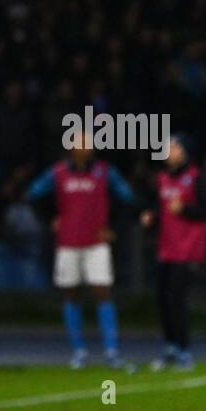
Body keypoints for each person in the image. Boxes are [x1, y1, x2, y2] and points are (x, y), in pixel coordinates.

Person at [24, 129, 137, 369]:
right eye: (81, 142)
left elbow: (127, 199)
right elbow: (33, 195)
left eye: (89, 142)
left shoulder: (105, 172)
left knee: (102, 292)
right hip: (68, 242)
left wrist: (113, 227)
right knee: (71, 294)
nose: (86, 146)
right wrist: (50, 219)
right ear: (71, 147)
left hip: (97, 243)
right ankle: (78, 351)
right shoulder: (58, 173)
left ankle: (111, 350)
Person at [140, 135, 206, 371]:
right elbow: (161, 210)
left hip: (188, 249)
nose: (169, 151)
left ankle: (185, 352)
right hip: (167, 248)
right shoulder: (162, 178)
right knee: (163, 300)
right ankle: (170, 348)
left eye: (174, 147)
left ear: (184, 151)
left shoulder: (196, 177)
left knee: (177, 300)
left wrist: (186, 209)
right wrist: (151, 217)